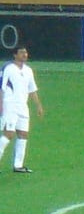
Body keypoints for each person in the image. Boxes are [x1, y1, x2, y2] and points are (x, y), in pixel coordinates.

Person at [1, 44, 45, 173]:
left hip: (23, 106)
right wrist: (1, 105)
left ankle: (18, 165)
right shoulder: (8, 68)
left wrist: (38, 106)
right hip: (10, 105)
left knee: (23, 134)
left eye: (25, 52)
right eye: (21, 52)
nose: (24, 55)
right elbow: (1, 87)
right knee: (8, 134)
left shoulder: (28, 70)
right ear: (15, 55)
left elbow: (32, 90)